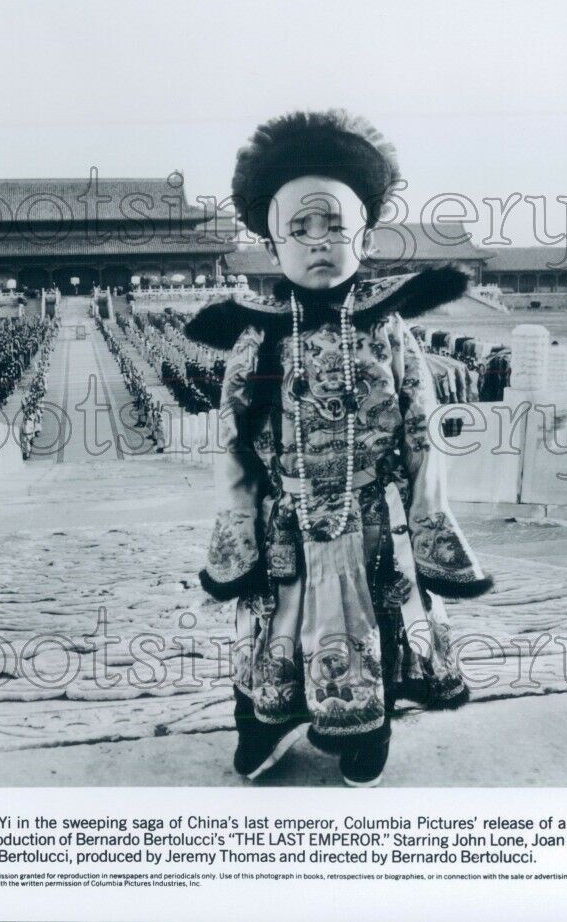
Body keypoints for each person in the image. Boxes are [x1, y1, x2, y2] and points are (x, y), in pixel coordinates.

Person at [184, 109, 492, 788]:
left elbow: (421, 431)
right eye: (301, 228)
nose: (319, 242)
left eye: (336, 226)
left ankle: (367, 729)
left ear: (366, 236)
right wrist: (236, 527)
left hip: (372, 520)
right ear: (273, 242)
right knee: (276, 626)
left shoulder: (389, 331)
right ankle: (263, 722)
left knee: (378, 622)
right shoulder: (256, 341)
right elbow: (232, 446)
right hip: (284, 524)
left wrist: (429, 516)